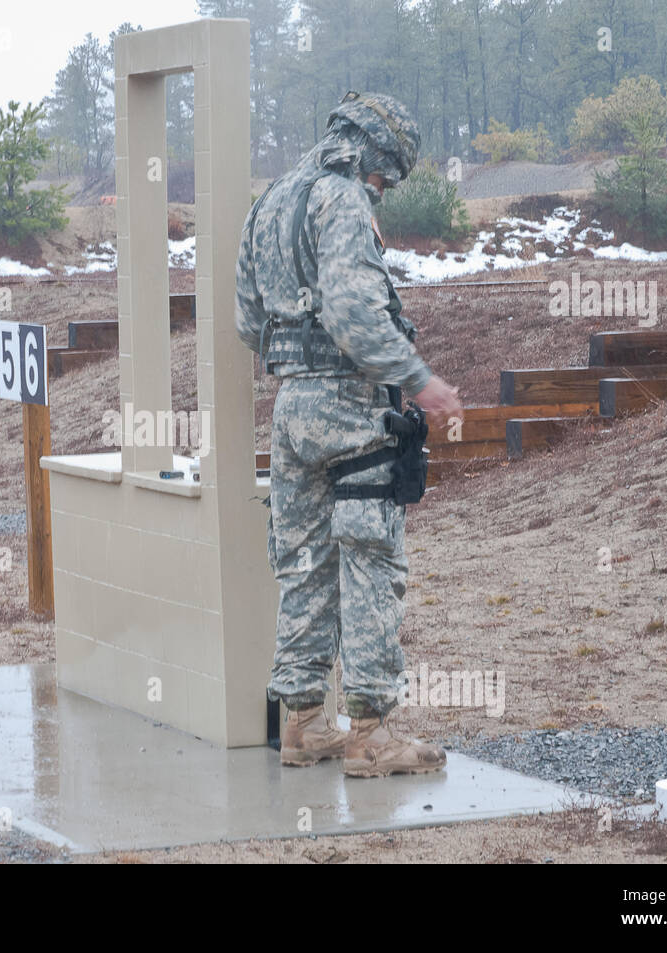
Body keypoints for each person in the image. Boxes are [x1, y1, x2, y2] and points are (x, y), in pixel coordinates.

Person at [235, 91, 464, 777]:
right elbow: (355, 310)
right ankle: (372, 730)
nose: (382, 189)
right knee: (370, 560)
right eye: (385, 176)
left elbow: (249, 318)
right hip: (348, 404)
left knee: (302, 562)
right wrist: (420, 379)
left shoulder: (272, 200)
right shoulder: (341, 200)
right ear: (369, 152)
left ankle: (303, 722)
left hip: (291, 409)